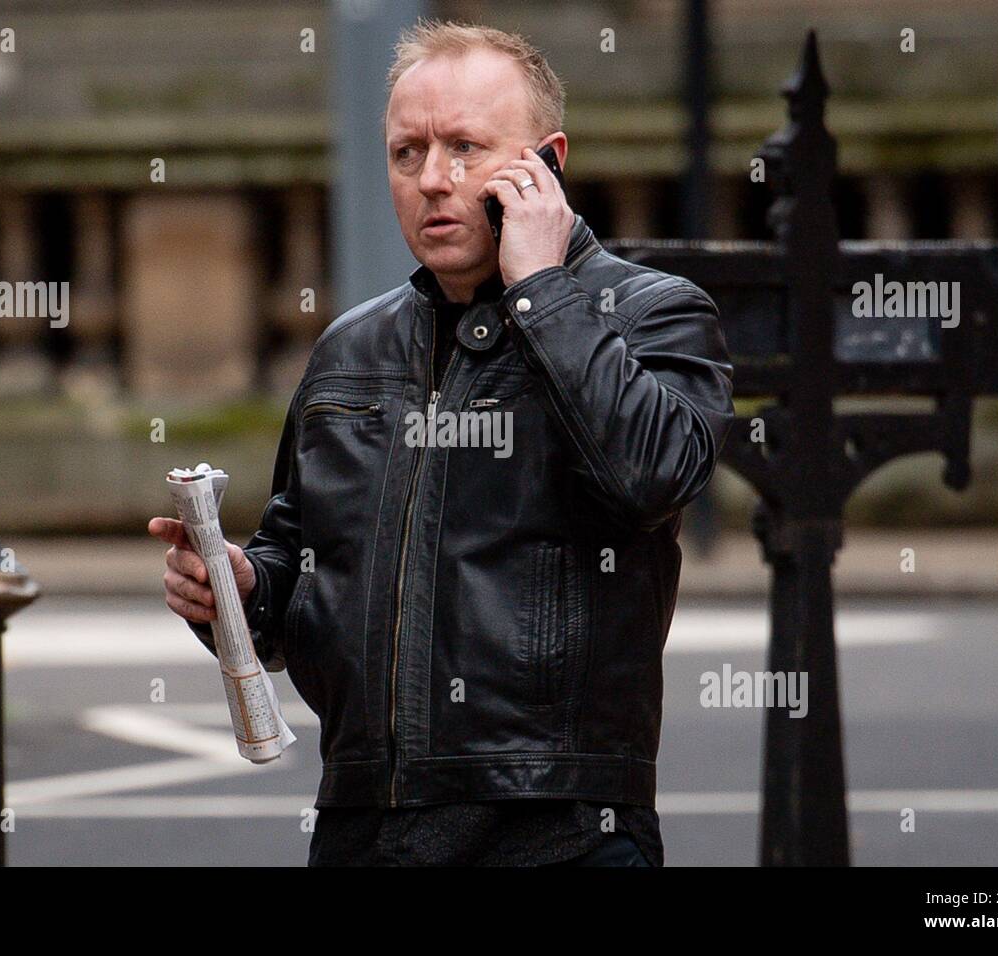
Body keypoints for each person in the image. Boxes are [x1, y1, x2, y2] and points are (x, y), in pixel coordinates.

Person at [149, 18, 735, 867]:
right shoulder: (353, 349)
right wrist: (241, 588)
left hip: (557, 826)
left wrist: (540, 288)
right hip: (366, 821)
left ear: (549, 163)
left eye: (465, 148)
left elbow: (654, 474)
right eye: (406, 153)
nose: (432, 180)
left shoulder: (651, 314)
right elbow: (297, 572)